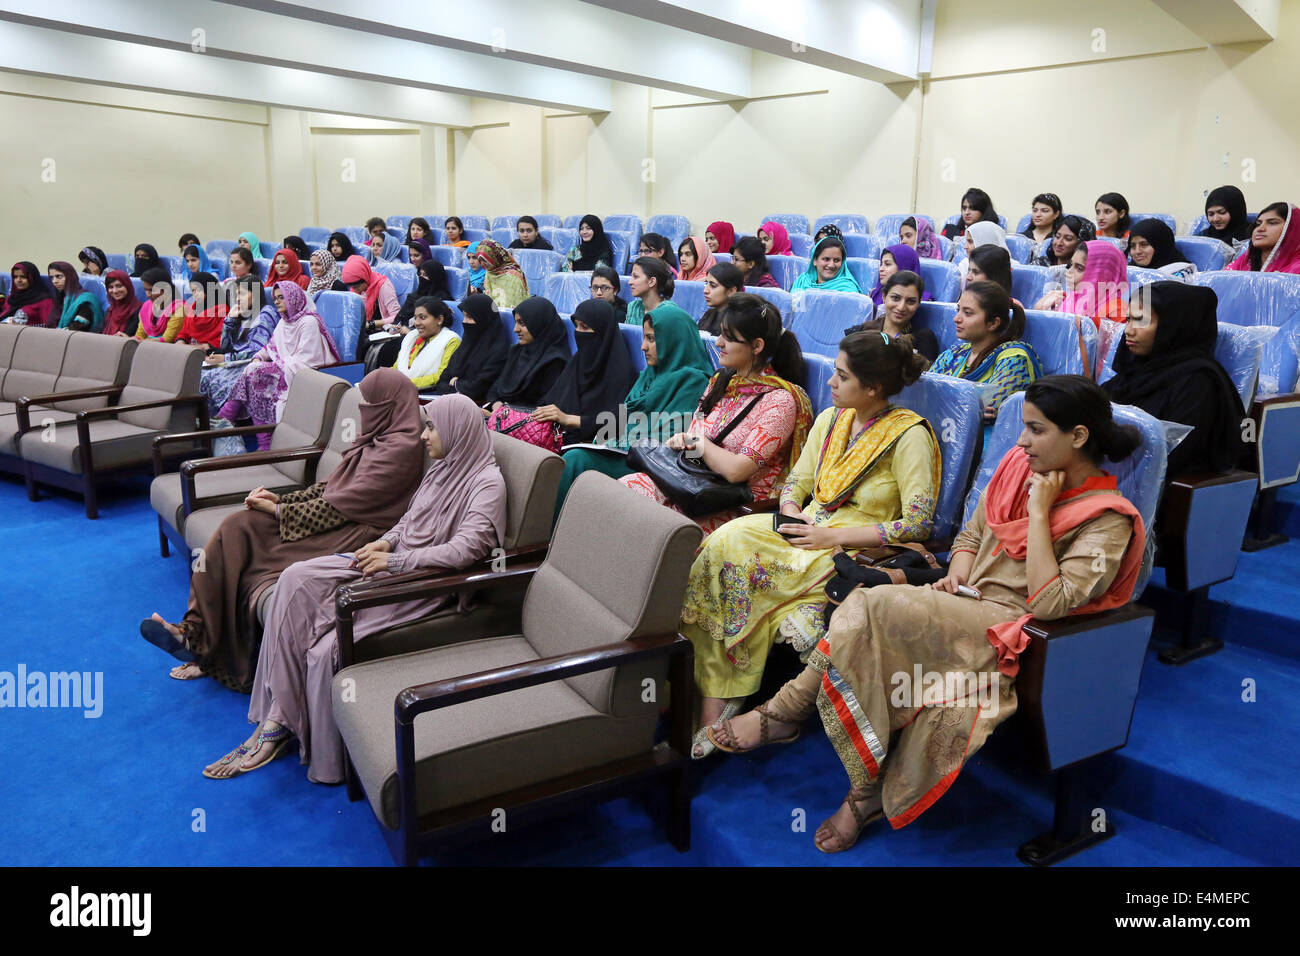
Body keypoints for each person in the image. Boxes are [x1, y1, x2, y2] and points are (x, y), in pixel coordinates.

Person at [707, 375, 1144, 852]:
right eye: (1023, 427)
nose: (1020, 441)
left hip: (1015, 629)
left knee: (868, 603)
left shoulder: (1107, 518)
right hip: (965, 602)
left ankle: (789, 717)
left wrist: (1039, 516)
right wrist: (958, 575)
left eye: (1036, 430)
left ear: (1078, 436)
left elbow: (1049, 603)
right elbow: (970, 539)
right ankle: (855, 784)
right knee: (867, 613)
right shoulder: (1020, 470)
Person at [204, 394, 506, 782]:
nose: (424, 436)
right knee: (294, 579)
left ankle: (305, 743)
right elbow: (409, 521)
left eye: (431, 426)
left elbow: (467, 550)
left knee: (323, 648)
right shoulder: (442, 467)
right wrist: (388, 542)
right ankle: (278, 712)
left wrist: (395, 560)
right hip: (391, 561)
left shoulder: (487, 484)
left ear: (457, 430)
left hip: (420, 583)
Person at [681, 330, 939, 757]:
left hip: (851, 548)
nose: (830, 384)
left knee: (745, 568)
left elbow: (917, 523)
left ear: (872, 388)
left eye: (841, 376)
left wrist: (831, 536)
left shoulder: (909, 435)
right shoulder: (831, 420)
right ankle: (714, 684)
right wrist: (793, 509)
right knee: (725, 541)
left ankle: (727, 697)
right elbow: (796, 483)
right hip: (806, 529)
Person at [142, 368, 426, 690]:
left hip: (358, 533)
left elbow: (342, 505)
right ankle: (192, 633)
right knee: (237, 527)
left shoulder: (401, 449)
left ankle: (210, 652)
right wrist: (282, 499)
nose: (363, 411)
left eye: (370, 403)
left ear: (389, 405)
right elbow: (330, 487)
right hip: (328, 519)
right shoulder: (375, 437)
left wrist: (281, 511)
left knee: (249, 561)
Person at [620, 293, 813, 535]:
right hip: (693, 483)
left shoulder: (779, 401)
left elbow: (737, 470)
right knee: (621, 494)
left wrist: (697, 443)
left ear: (757, 346)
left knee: (653, 526)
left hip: (733, 503)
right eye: (720, 334)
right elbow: (692, 433)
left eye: (729, 338)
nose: (718, 342)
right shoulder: (721, 381)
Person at [555, 304, 713, 511]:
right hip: (627, 452)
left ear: (674, 341)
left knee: (576, 461)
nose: (643, 347)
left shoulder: (694, 381)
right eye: (644, 338)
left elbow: (676, 435)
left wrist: (619, 439)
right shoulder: (650, 375)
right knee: (572, 457)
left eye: (652, 339)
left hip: (657, 463)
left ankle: (555, 537)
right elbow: (624, 417)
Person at [1103, 282, 1245, 476]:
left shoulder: (1198, 384)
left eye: (1141, 321)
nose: (1128, 330)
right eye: (1128, 319)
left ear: (1174, 326)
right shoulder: (1137, 369)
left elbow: (1170, 458)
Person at [218, 282, 341, 448]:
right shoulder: (284, 321)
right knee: (254, 373)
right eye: (275, 298)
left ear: (293, 298)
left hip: (307, 374)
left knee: (255, 375)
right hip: (285, 369)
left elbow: (306, 358)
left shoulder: (308, 322)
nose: (276, 301)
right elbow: (270, 347)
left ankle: (226, 418)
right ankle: (259, 439)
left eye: (281, 297)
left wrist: (271, 367)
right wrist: (258, 358)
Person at [525, 298, 638, 446]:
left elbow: (616, 423)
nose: (578, 333)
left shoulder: (623, 375)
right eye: (576, 326)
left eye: (584, 327)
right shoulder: (577, 362)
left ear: (602, 332)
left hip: (588, 447)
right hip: (554, 437)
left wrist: (570, 419)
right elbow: (551, 401)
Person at [931, 281, 1043, 423]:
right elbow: (926, 396)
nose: (956, 319)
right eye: (958, 310)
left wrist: (944, 405)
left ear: (993, 323)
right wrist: (965, 408)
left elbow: (990, 409)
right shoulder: (952, 354)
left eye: (967, 313)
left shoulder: (1014, 358)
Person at [200, 277, 279, 417]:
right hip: (236, 362)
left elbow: (258, 351)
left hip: (254, 366)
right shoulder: (244, 314)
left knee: (216, 380)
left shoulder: (265, 314)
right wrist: (229, 321)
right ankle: (205, 422)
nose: (237, 299)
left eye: (241, 294)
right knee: (201, 374)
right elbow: (225, 346)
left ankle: (223, 423)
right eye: (235, 295)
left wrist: (225, 358)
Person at [482, 296, 571, 413]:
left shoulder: (556, 361)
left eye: (522, 323)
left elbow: (545, 407)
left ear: (539, 324)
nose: (515, 329)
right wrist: (496, 404)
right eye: (515, 322)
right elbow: (495, 388)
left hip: (527, 425)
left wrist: (506, 412)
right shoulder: (516, 351)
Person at [428, 293, 511, 403]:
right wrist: (459, 386)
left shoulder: (499, 350)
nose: (464, 321)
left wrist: (456, 384)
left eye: (470, 317)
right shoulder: (466, 344)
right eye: (464, 316)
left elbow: (478, 389)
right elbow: (442, 381)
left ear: (484, 318)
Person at [1036, 240, 1129, 328]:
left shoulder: (1116, 311)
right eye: (1070, 265)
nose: (1068, 272)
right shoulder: (1068, 299)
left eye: (1079, 268)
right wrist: (1040, 310)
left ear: (1102, 275)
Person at [853, 271, 940, 362]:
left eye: (910, 301)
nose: (901, 307)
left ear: (918, 303)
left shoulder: (923, 338)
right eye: (895, 298)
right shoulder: (864, 330)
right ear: (884, 297)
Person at [341, 255, 400, 361]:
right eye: (351, 287)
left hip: (381, 331)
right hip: (364, 330)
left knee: (359, 347)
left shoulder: (383, 286)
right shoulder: (355, 289)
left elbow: (397, 316)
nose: (354, 289)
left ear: (365, 277)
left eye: (356, 286)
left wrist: (371, 324)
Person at [392, 297, 461, 389]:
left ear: (439, 319)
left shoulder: (451, 341)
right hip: (399, 388)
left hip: (425, 394)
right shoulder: (411, 338)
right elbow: (397, 368)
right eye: (415, 318)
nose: (416, 323)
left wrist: (405, 384)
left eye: (422, 317)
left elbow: (440, 376)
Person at [1226, 201, 1300, 274]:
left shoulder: (1297, 271)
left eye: (1272, 223)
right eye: (1258, 224)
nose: (1260, 229)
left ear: (1292, 229)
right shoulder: (1243, 262)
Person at [625, 256, 692, 329]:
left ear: (652, 281)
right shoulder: (633, 307)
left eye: (636, 277)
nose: (630, 282)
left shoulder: (669, 312)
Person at [1127, 219, 1196, 278]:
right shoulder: (1129, 271)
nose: (1137, 251)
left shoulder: (1182, 273)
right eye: (1132, 246)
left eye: (1144, 244)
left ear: (1160, 246)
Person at [48, 261, 104, 333]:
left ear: (70, 277)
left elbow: (78, 328)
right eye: (51, 278)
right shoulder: (61, 298)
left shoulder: (85, 300)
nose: (54, 281)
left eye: (59, 277)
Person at [869, 243, 930, 308]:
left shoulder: (923, 302)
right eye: (881, 264)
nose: (880, 269)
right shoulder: (874, 294)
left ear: (904, 267)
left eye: (887, 264)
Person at [792, 236, 861, 293]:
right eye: (826, 259)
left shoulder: (848, 290)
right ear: (815, 260)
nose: (831, 265)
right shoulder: (802, 282)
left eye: (837, 260)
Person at [475, 238, 529, 309]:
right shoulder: (490, 272)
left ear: (495, 258)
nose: (482, 264)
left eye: (485, 260)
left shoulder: (513, 276)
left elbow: (513, 305)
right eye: (480, 260)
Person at [176, 272, 226, 349]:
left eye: (199, 290)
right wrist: (181, 341)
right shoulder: (193, 308)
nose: (195, 294)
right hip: (190, 349)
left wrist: (208, 346)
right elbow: (184, 332)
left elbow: (224, 338)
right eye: (193, 290)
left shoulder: (223, 311)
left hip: (213, 354)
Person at [394, 260, 452, 326]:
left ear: (435, 277)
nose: (421, 278)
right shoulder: (413, 296)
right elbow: (399, 318)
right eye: (420, 274)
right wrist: (395, 326)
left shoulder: (443, 299)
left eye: (425, 275)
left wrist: (409, 329)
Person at [135, 269, 185, 342]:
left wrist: (142, 341)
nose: (148, 294)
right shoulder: (146, 306)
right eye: (145, 290)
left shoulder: (179, 308)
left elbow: (167, 339)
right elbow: (140, 335)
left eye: (151, 290)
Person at [1199, 185, 1253, 252]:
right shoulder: (1202, 237)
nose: (1216, 219)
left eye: (1222, 212)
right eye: (1211, 214)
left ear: (1236, 211)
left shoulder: (1254, 235)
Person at [698, 262, 745, 334]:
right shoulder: (709, 314)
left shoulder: (739, 322)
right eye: (706, 283)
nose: (705, 291)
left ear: (731, 291)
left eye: (713, 285)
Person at [102, 269, 143, 337]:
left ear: (128, 286)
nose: (115, 291)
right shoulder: (110, 311)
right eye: (111, 287)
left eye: (119, 286)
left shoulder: (139, 311)